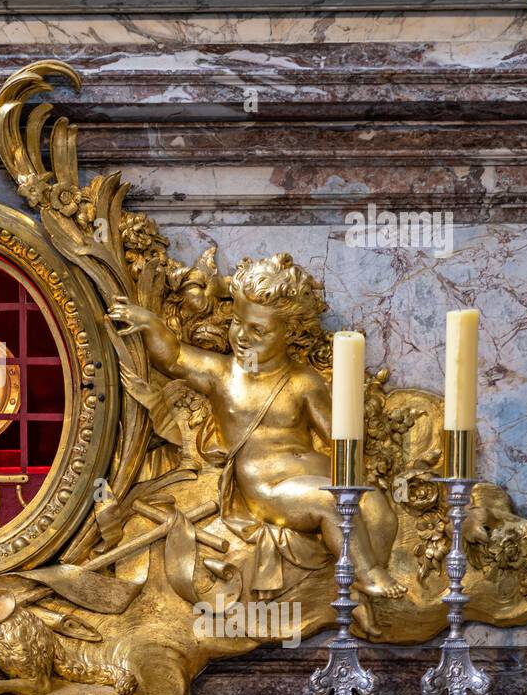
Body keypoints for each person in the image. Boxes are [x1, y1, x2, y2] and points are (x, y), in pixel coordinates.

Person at [108, 252, 404, 602]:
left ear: (289, 333)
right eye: (238, 322)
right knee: (334, 502)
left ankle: (355, 582)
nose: (243, 337)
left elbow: (339, 437)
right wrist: (151, 324)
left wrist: (357, 470)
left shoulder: (304, 382)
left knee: (380, 511)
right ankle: (368, 573)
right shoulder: (223, 375)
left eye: (258, 330)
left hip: (316, 473)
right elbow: (173, 357)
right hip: (268, 487)